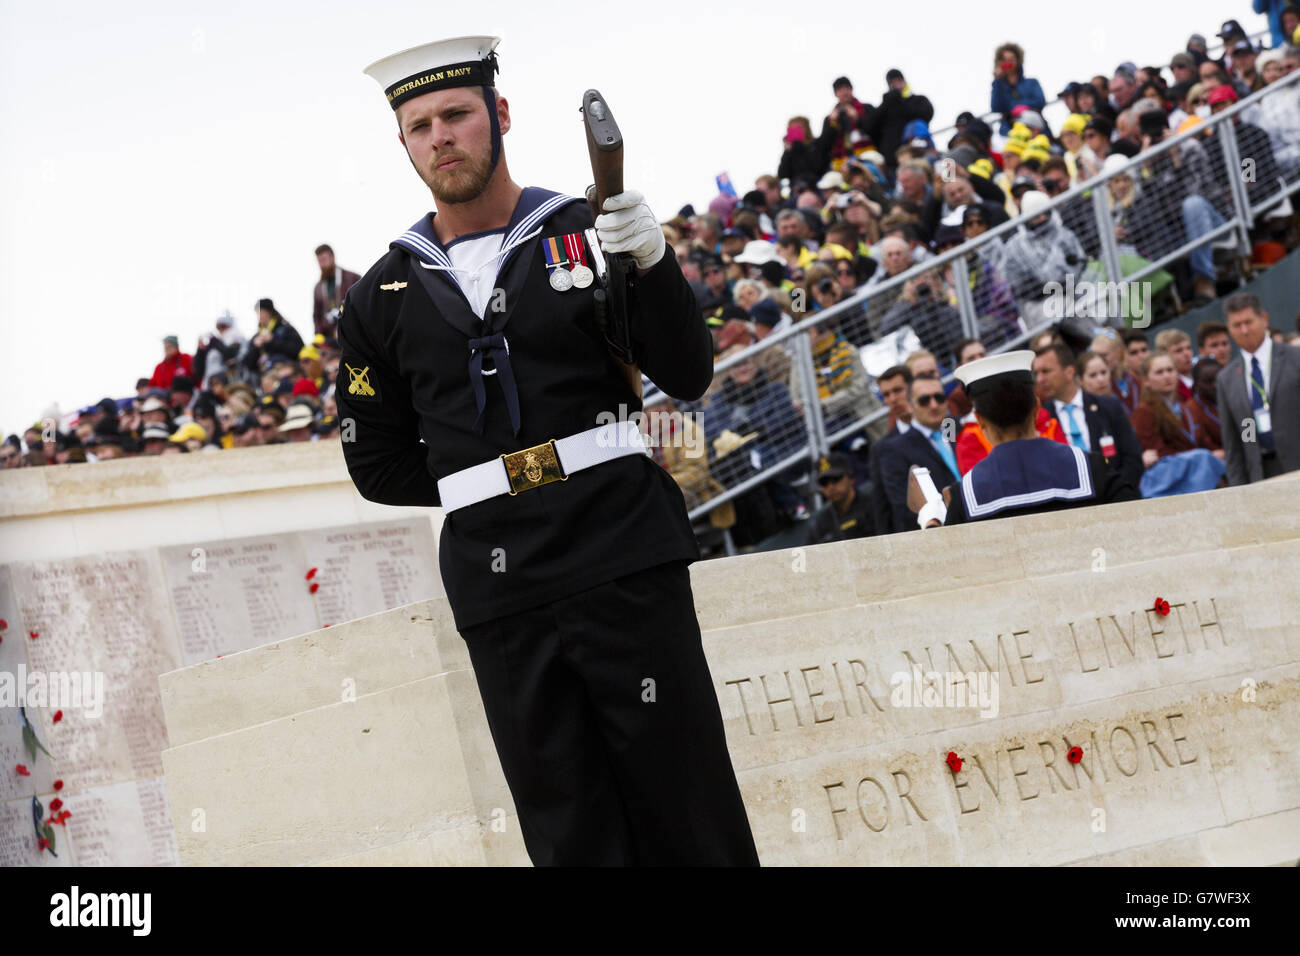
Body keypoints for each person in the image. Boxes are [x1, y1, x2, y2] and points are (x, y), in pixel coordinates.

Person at [336, 36, 757, 866]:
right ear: (404, 144)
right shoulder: (377, 295)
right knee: (568, 831)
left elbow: (687, 371)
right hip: (502, 585)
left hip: (620, 550)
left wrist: (652, 261)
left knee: (688, 805)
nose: (440, 137)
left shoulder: (588, 229)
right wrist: (495, 481)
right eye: (419, 126)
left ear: (499, 114)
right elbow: (378, 468)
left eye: (456, 114)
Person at [922, 351, 1139, 527]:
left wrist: (931, 520)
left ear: (979, 420)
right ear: (1037, 407)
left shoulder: (965, 496)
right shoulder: (1092, 467)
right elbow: (1137, 524)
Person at [1033, 343, 1144, 490]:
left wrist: (1115, 494)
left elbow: (1132, 459)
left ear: (1069, 372)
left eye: (1045, 371)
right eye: (1036, 373)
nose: (1040, 379)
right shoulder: (1040, 419)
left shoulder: (1109, 407)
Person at [1216, 293, 1300, 483]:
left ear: (1264, 319)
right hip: (1260, 474)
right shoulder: (1226, 379)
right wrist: (1239, 489)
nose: (1244, 330)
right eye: (1237, 325)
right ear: (1229, 329)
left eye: (1249, 322)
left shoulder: (1295, 359)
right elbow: (1234, 443)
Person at [878, 372, 960, 532]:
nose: (934, 405)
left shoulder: (958, 427)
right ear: (911, 404)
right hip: (940, 532)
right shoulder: (895, 449)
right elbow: (905, 507)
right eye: (924, 400)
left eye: (939, 397)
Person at [808, 452, 877, 542]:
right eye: (824, 483)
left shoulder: (874, 505)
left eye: (835, 479)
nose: (830, 487)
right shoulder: (819, 524)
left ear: (851, 478)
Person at [990, 43, 1046, 136]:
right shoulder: (999, 86)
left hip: (1033, 127)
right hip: (1008, 131)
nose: (1008, 63)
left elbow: (1040, 101)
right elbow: (996, 107)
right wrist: (997, 81)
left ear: (1018, 61)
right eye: (1004, 60)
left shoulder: (1032, 83)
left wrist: (1020, 106)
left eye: (1011, 59)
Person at [312, 244, 361, 341]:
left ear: (332, 257)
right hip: (328, 338)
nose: (322, 264)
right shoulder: (318, 288)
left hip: (351, 334)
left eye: (324, 259)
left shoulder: (352, 278)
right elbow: (316, 316)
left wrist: (341, 329)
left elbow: (360, 306)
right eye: (319, 261)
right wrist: (318, 336)